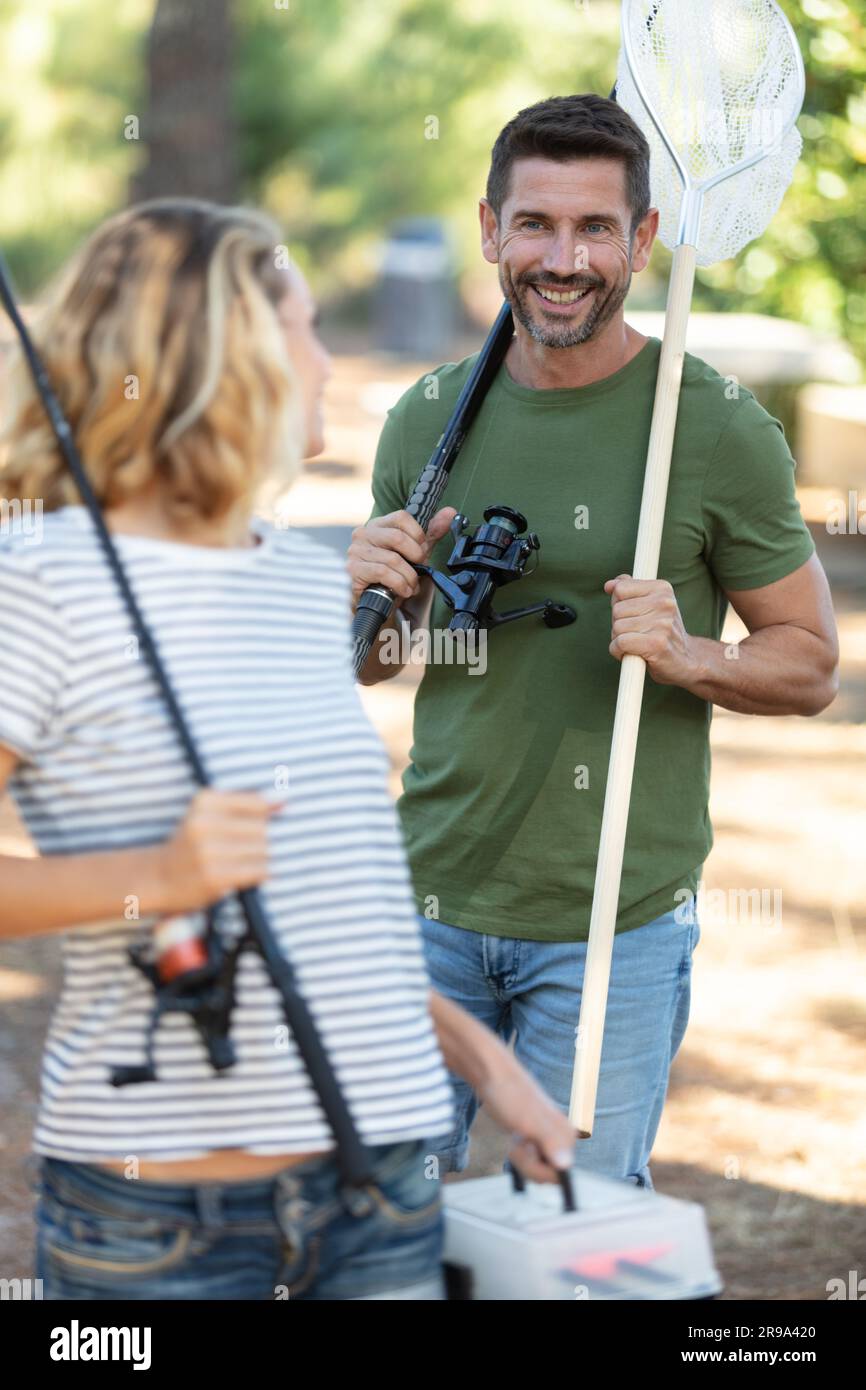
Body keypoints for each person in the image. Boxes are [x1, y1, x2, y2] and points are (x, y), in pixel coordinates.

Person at [0, 197, 575, 1302]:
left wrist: (489, 1067)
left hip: (381, 1194)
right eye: (305, 329)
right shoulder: (45, 581)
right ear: (227, 359)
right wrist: (153, 881)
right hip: (159, 1216)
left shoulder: (301, 580)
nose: (326, 360)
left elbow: (332, 913)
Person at [348, 94, 840, 1189]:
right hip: (426, 895)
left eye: (592, 229)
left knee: (571, 1238)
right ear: (488, 230)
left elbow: (809, 660)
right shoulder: (426, 418)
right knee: (381, 1231)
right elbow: (375, 662)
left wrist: (689, 655)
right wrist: (373, 597)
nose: (559, 259)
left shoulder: (709, 427)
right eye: (533, 225)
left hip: (610, 924)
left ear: (644, 240)